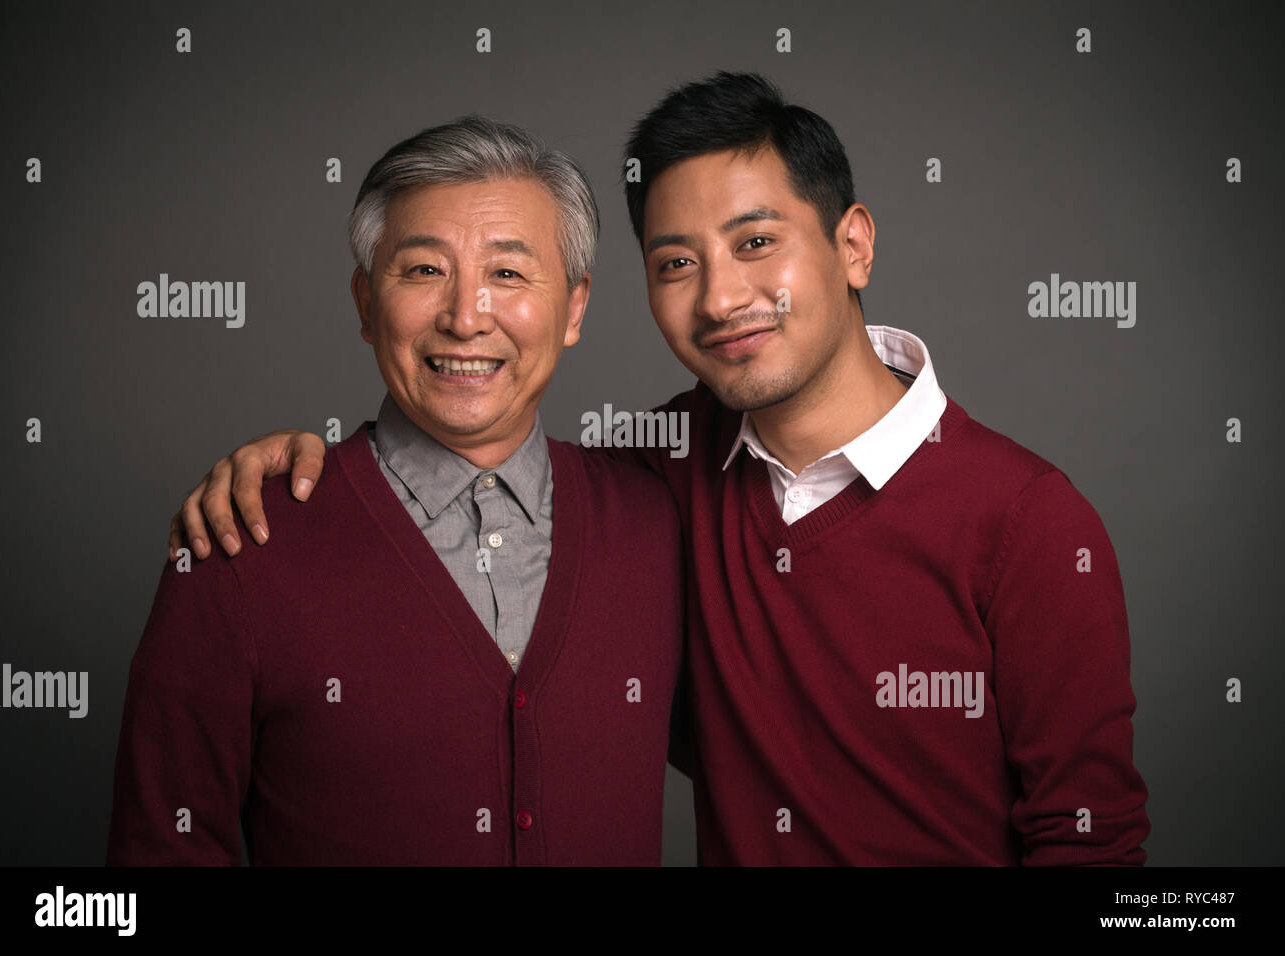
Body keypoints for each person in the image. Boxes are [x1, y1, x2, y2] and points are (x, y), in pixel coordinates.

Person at [169, 73, 1150, 865]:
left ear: (852, 245)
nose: (721, 296)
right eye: (676, 262)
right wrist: (301, 465)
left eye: (756, 242)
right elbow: (471, 459)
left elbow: (1091, 843)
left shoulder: (1027, 519)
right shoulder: (656, 476)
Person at [108, 116, 685, 866]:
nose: (464, 316)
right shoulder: (243, 541)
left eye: (507, 274)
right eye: (423, 271)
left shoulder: (656, 520)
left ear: (574, 307)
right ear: (364, 303)